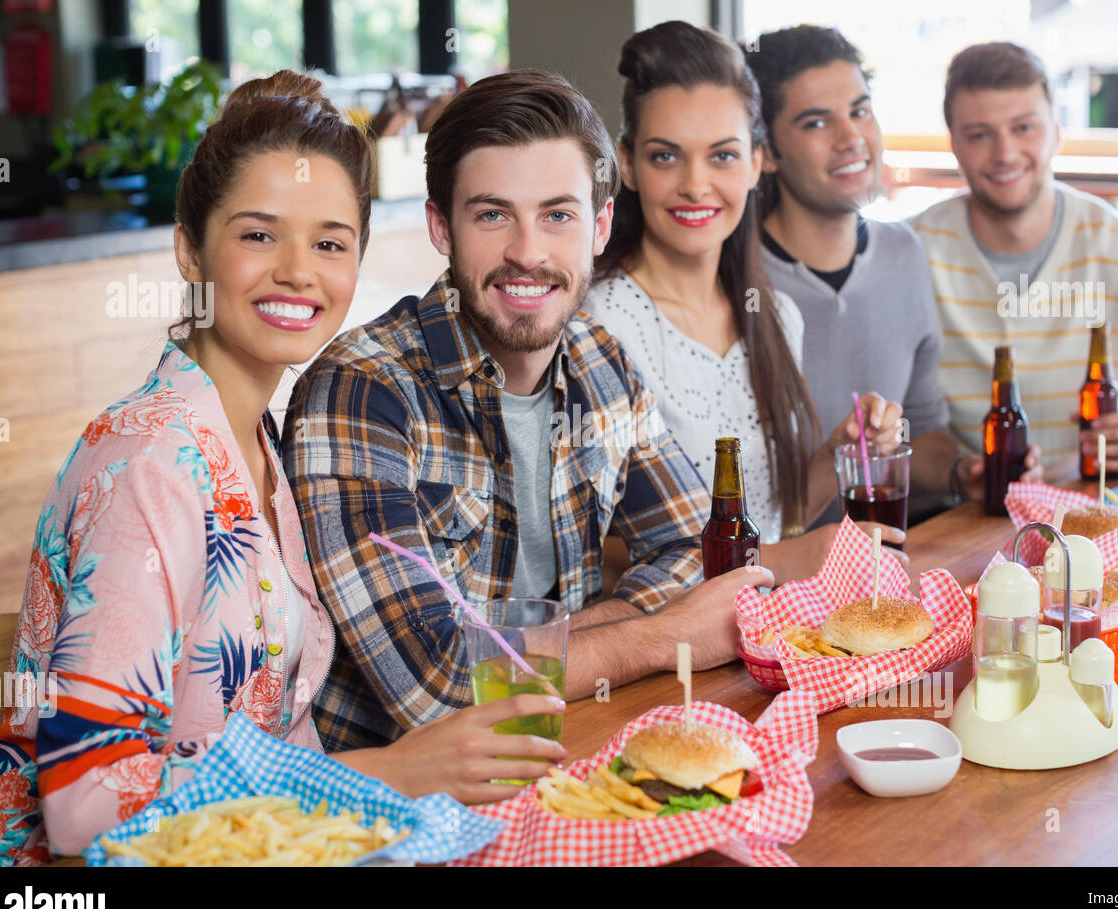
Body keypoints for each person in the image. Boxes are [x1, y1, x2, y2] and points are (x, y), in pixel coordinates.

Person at [0, 72, 564, 867]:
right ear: (188, 247)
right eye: (257, 235)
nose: (298, 271)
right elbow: (79, 806)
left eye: (330, 243)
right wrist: (388, 773)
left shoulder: (260, 442)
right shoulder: (153, 467)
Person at [284, 69, 773, 752]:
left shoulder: (602, 361)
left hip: (567, 738)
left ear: (599, 226)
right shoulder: (361, 392)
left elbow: (692, 546)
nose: (527, 253)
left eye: (557, 215)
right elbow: (436, 687)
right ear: (441, 227)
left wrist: (570, 644)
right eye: (491, 215)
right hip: (398, 816)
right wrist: (661, 637)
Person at [584, 20, 905, 584]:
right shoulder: (597, 324)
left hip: (772, 632)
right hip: (671, 654)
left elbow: (779, 518)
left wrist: (842, 450)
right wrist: (777, 563)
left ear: (757, 162)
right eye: (666, 157)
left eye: (723, 156)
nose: (696, 185)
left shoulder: (777, 315)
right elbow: (589, 553)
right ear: (628, 163)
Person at [913, 42, 1118, 481]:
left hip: (1086, 511)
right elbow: (882, 425)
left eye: (1023, 128)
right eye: (979, 134)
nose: (1005, 153)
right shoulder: (911, 253)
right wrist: (958, 474)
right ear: (953, 145)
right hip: (957, 516)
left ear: (1056, 132)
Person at [742, 25, 1040, 516]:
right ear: (767, 152)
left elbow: (920, 429)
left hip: (888, 565)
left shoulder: (905, 253)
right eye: (817, 123)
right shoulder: (736, 277)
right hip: (774, 576)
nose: (852, 138)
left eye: (860, 111)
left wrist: (960, 470)